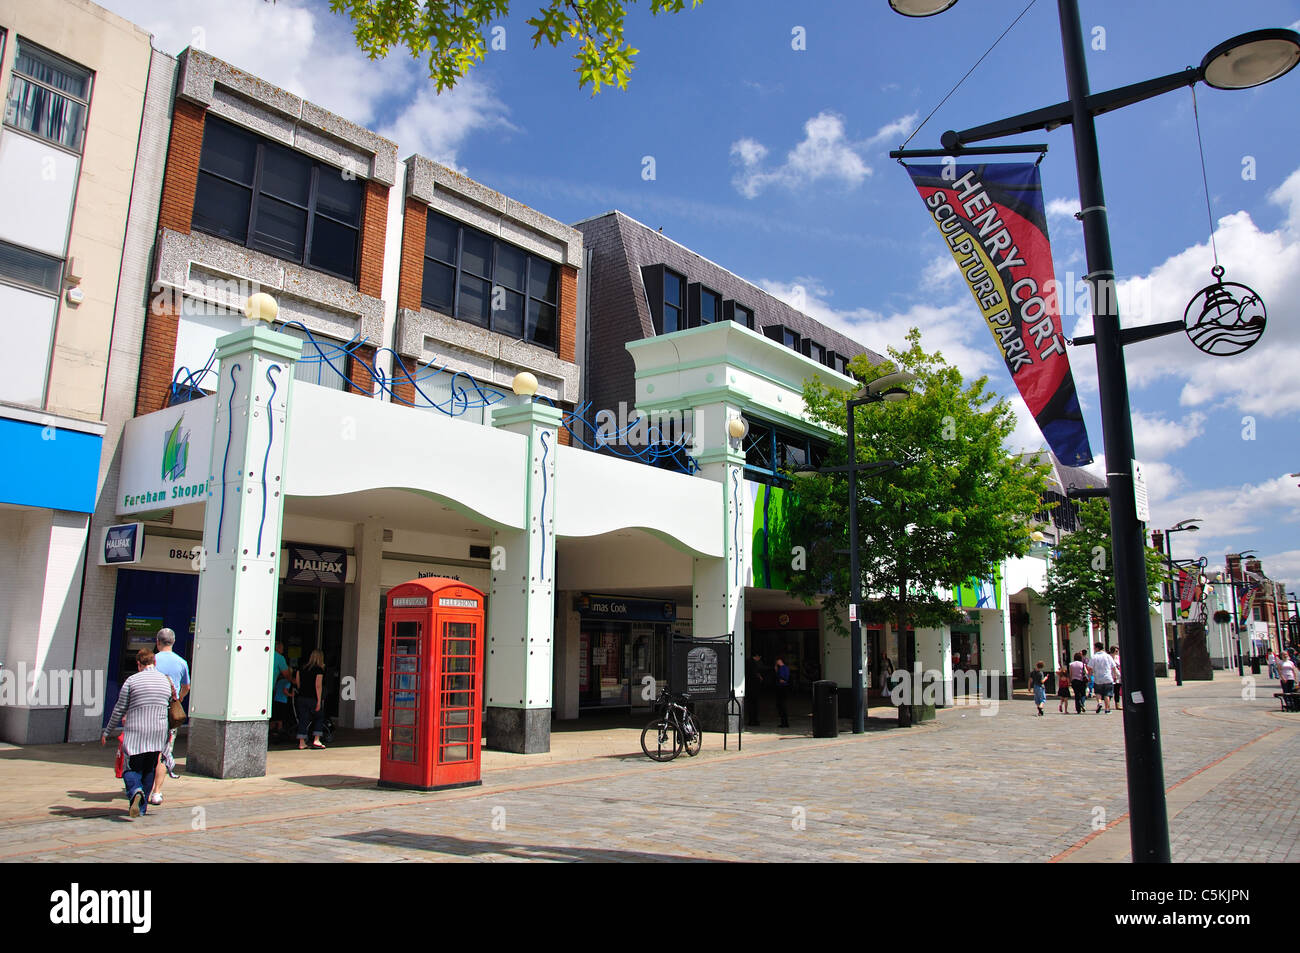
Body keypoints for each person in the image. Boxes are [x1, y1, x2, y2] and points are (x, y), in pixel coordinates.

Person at [101, 649, 173, 818]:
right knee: (149, 768)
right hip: (158, 732)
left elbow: (120, 708)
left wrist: (107, 731)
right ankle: (141, 808)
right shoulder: (165, 681)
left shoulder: (131, 681)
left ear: (139, 664)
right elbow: (170, 706)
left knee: (130, 767)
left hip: (136, 733)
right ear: (154, 663)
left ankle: (135, 790)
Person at [150, 628, 189, 805]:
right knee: (164, 752)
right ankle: (156, 792)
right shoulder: (181, 662)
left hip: (150, 711)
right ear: (173, 642)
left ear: (158, 642)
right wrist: (178, 698)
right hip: (169, 713)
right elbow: (186, 686)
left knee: (147, 749)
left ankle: (143, 785)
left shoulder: (151, 660)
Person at [295, 649, 328, 749]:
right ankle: (316, 740)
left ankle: (301, 742)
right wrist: (319, 701)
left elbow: (298, 682)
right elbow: (318, 685)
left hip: (301, 697)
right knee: (319, 716)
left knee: (303, 719)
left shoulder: (302, 668)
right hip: (312, 697)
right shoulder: (319, 669)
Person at [270, 640, 294, 740]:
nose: (283, 651)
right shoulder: (279, 658)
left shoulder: (268, 654)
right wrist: (294, 681)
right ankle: (275, 730)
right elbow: (287, 675)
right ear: (278, 648)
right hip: (270, 689)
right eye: (282, 649)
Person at [1090, 641, 1117, 714]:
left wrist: (1090, 676)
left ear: (1097, 648)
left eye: (1094, 647)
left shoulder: (1094, 657)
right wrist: (1115, 675)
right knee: (1107, 694)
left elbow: (1090, 667)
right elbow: (1113, 666)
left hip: (1098, 678)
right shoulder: (1108, 656)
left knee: (1098, 692)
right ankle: (1107, 709)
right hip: (1107, 677)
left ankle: (1099, 703)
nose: (1094, 649)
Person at [745, 652, 763, 726]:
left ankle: (751, 720)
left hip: (749, 686)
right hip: (754, 687)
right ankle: (754, 720)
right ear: (757, 656)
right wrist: (759, 677)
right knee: (754, 704)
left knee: (750, 704)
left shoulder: (748, 662)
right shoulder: (754, 664)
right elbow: (756, 673)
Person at [774, 656, 791, 728]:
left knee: (782, 705)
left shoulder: (784, 668)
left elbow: (783, 678)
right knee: (780, 705)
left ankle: (784, 722)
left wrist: (781, 678)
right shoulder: (781, 668)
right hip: (781, 686)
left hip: (783, 687)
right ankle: (784, 722)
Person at [1109, 645, 1122, 710]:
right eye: (1116, 651)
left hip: (1118, 677)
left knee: (1117, 691)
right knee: (1110, 692)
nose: (1117, 652)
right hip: (1110, 676)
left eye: (1117, 650)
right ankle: (1107, 704)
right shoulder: (1109, 658)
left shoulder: (1118, 658)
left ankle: (1117, 704)